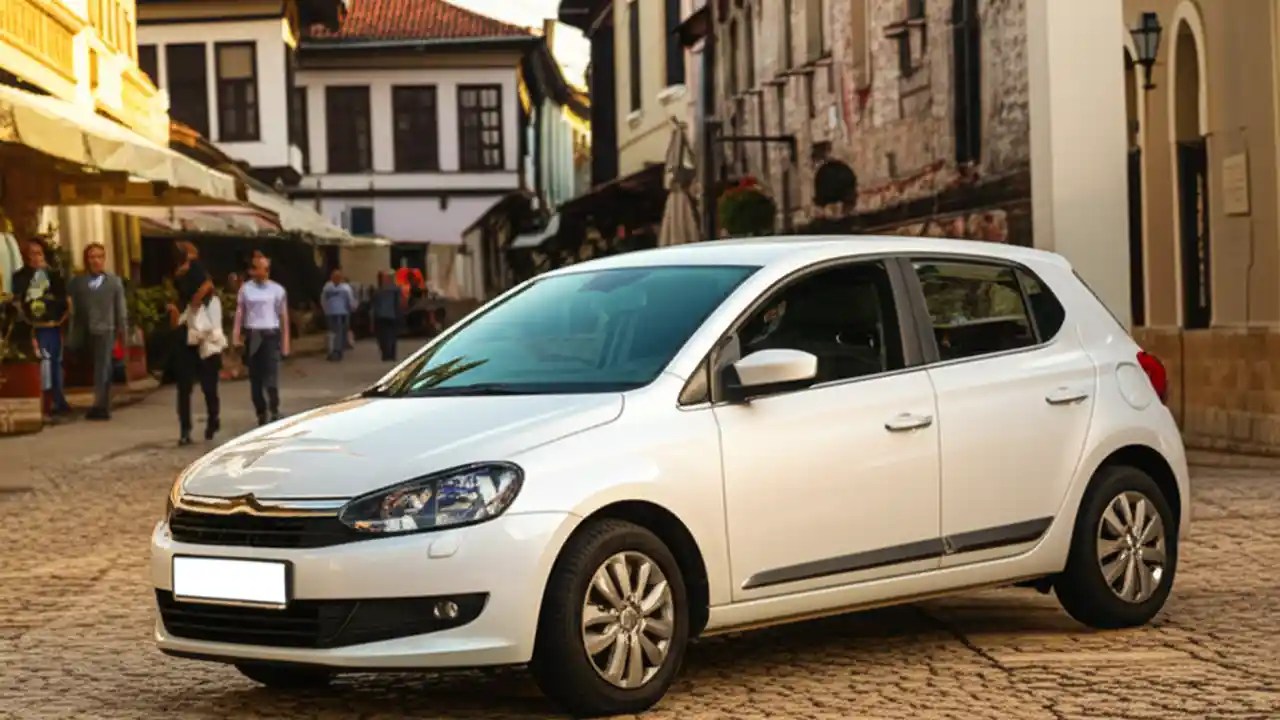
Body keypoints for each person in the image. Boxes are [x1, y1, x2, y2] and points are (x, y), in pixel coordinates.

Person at [167, 241, 222, 446]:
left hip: (205, 331)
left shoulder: (198, 269)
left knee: (209, 384)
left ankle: (213, 419)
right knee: (184, 385)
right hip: (185, 330)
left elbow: (209, 285)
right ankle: (185, 429)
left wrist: (197, 299)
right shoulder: (177, 275)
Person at [11, 238, 72, 418]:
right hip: (31, 327)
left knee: (55, 362)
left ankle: (58, 400)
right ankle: (42, 402)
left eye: (39, 253)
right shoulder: (20, 276)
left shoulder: (54, 275)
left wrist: (61, 316)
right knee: (41, 363)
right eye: (32, 254)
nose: (36, 258)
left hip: (53, 325)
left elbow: (64, 299)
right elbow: (18, 299)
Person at [67, 243, 127, 421]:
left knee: (103, 368)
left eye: (99, 257)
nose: (96, 261)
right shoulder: (78, 282)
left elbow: (120, 309)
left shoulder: (113, 282)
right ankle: (98, 402)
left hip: (105, 329)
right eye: (92, 257)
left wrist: (122, 332)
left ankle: (101, 405)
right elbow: (72, 307)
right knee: (93, 368)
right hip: (85, 329)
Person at [233, 255, 290, 426]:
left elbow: (283, 316)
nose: (260, 272)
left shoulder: (277, 290)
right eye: (257, 268)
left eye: (264, 268)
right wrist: (236, 335)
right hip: (253, 334)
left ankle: (274, 408)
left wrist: (286, 343)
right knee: (255, 378)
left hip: (270, 334)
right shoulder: (246, 289)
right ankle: (261, 411)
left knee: (271, 376)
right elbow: (240, 313)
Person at [321, 268, 356, 361]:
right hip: (342, 312)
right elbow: (350, 300)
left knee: (333, 332)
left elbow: (323, 300)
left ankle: (333, 351)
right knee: (339, 332)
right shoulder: (345, 288)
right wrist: (352, 308)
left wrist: (325, 310)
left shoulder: (327, 287)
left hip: (331, 312)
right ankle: (337, 351)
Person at [371, 271, 404, 362]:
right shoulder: (396, 289)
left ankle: (386, 354)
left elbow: (373, 304)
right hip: (392, 315)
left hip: (381, 316)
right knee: (392, 335)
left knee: (383, 336)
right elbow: (399, 303)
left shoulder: (378, 290)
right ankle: (391, 354)